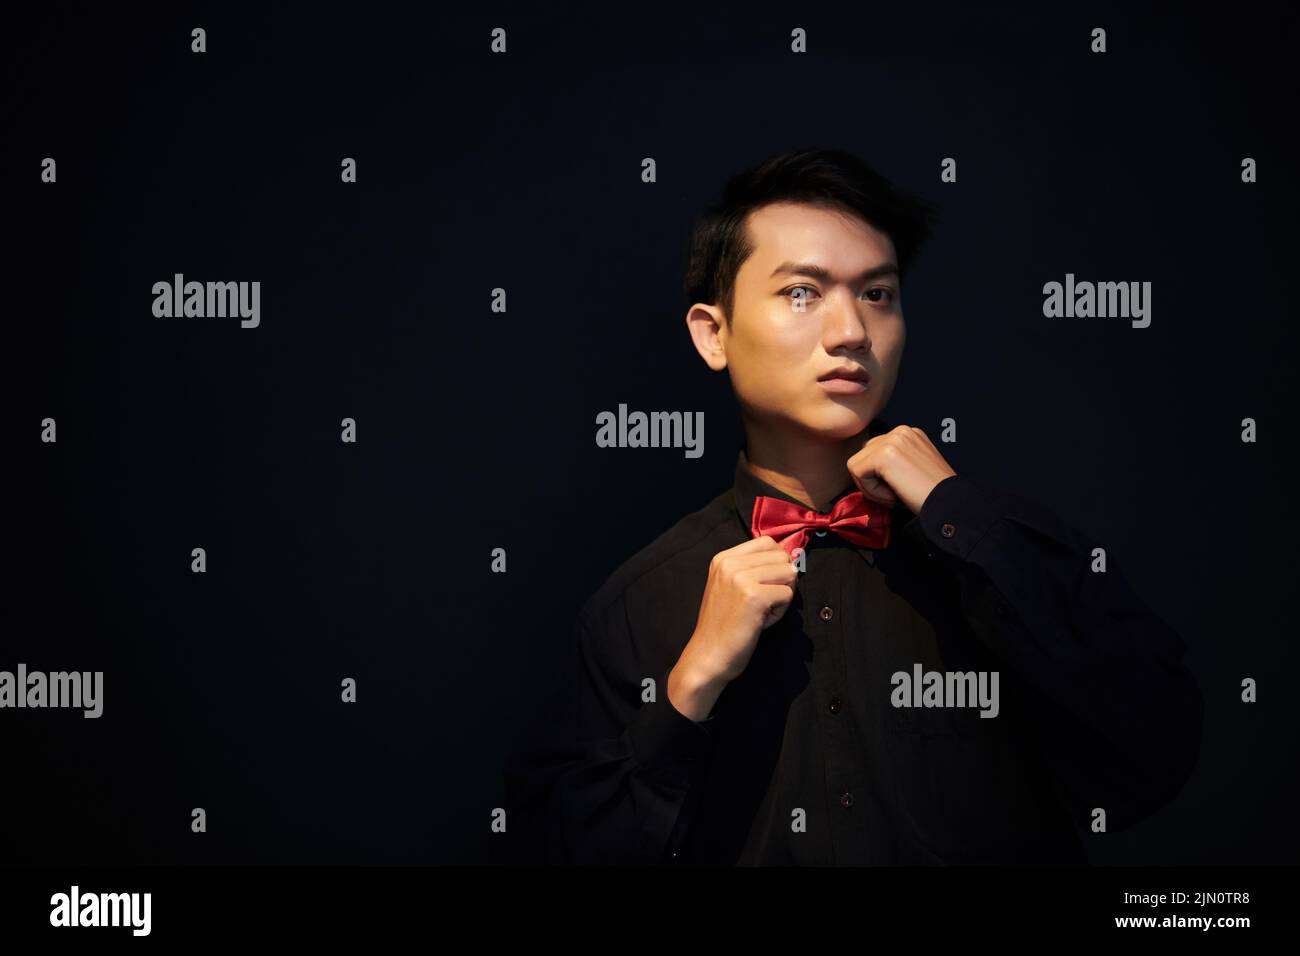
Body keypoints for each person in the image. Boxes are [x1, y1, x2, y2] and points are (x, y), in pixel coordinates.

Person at [503, 146, 1203, 865]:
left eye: (877, 293)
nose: (850, 333)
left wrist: (962, 515)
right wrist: (689, 690)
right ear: (714, 335)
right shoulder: (639, 603)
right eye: (802, 292)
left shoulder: (994, 552)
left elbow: (1155, 753)